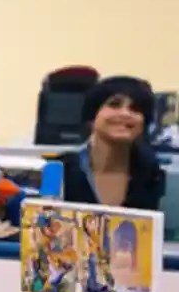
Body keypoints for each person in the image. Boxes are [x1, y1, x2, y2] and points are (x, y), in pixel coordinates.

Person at [59, 76, 166, 210]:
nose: (125, 113)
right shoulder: (61, 170)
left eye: (135, 109)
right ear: (92, 115)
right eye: (114, 104)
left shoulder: (152, 175)